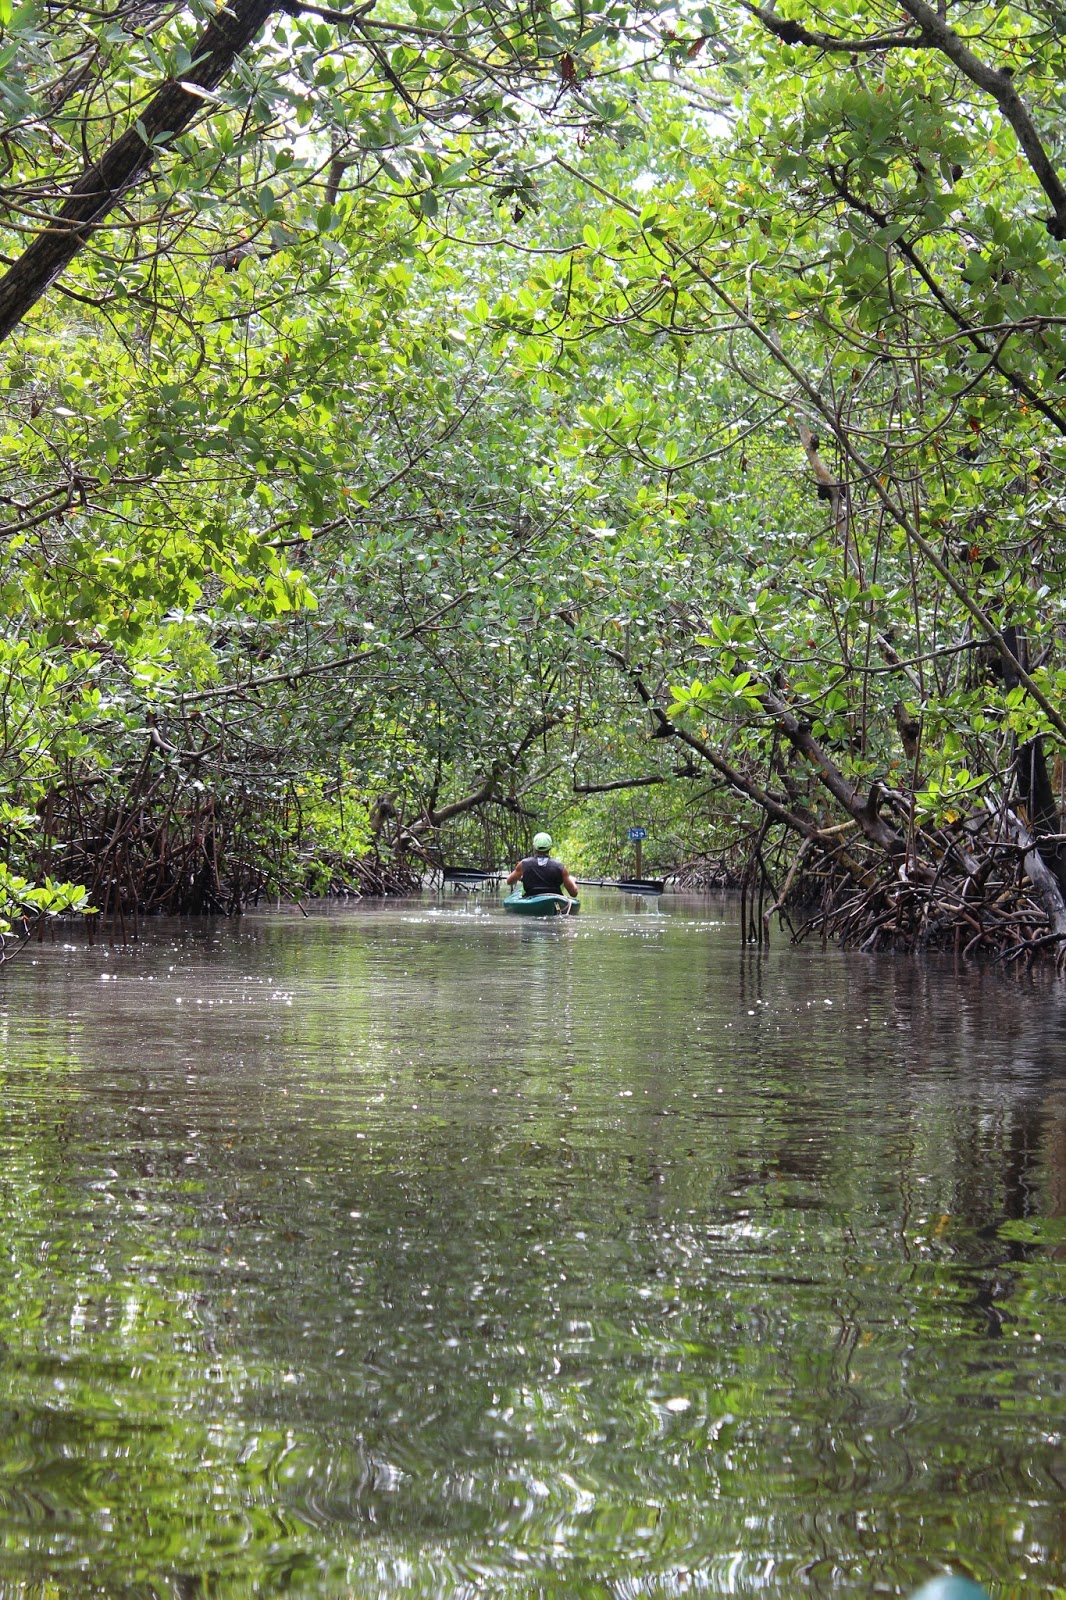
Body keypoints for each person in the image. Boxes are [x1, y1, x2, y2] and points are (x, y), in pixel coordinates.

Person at [507, 833, 579, 899]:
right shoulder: (560, 867)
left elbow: (509, 881)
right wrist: (572, 880)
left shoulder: (523, 864)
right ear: (550, 847)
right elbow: (574, 893)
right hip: (554, 900)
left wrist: (520, 877)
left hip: (529, 898)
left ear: (534, 847)